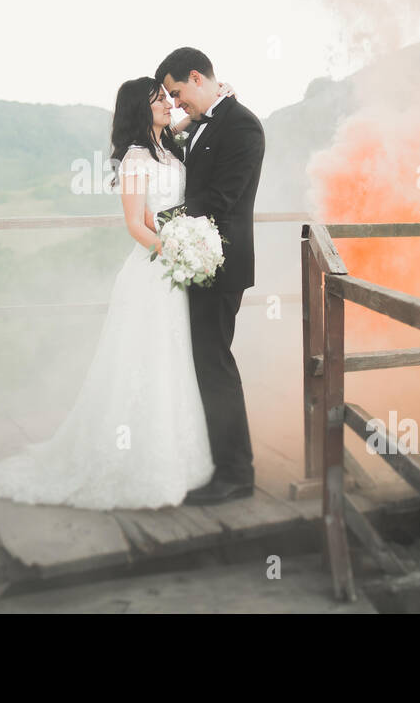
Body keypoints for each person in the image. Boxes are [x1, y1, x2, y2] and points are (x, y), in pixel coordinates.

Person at [0, 74, 235, 509]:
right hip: (153, 272)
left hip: (172, 275)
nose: (168, 105)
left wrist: (217, 98)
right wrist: (177, 250)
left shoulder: (164, 147)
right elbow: (136, 225)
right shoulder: (137, 158)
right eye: (160, 100)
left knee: (172, 362)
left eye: (167, 98)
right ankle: (134, 464)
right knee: (143, 362)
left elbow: (183, 127)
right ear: (143, 108)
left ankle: (180, 458)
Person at [154, 47, 265, 504]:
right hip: (200, 263)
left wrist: (159, 221)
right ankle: (213, 461)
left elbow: (220, 198)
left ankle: (236, 473)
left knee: (215, 366)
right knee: (204, 364)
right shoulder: (205, 124)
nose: (179, 105)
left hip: (223, 265)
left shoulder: (242, 125)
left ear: (197, 77)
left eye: (179, 95)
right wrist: (179, 126)